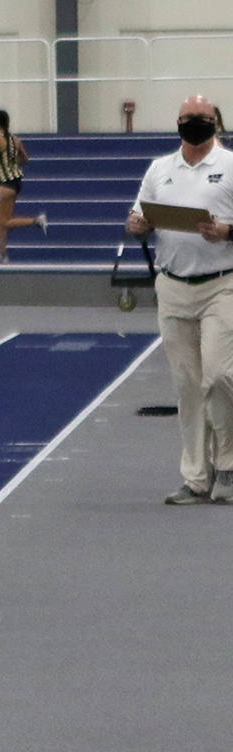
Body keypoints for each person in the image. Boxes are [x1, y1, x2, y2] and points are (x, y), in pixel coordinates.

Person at [126, 95, 233, 505]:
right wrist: (137, 225)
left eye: (203, 119)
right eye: (188, 118)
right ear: (177, 123)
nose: (195, 124)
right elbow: (137, 221)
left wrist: (226, 233)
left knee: (220, 376)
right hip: (172, 284)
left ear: (216, 123)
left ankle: (228, 462)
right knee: (187, 384)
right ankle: (196, 477)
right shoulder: (159, 169)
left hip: (222, 285)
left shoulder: (229, 166)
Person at [0, 109, 46, 264]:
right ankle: (3, 254)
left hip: (4, 184)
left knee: (2, 221)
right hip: (16, 182)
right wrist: (12, 162)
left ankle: (36, 221)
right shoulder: (15, 140)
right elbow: (25, 159)